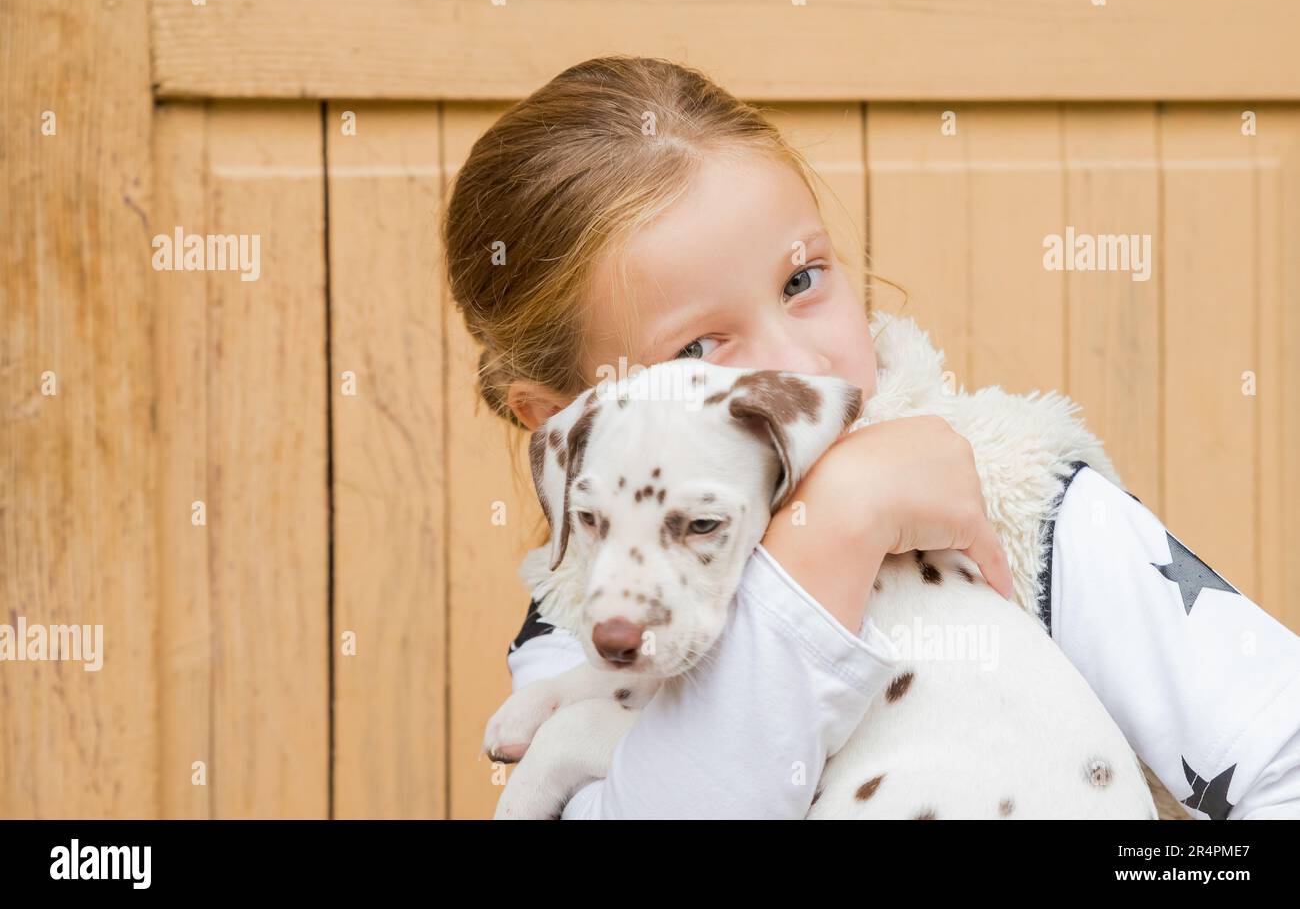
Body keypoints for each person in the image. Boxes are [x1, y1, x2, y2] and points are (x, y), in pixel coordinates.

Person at [441, 55, 1300, 819]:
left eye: (802, 279)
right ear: (562, 423)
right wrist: (838, 534)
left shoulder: (1023, 502)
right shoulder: (583, 629)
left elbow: (1283, 767)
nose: (800, 366)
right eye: (699, 351)